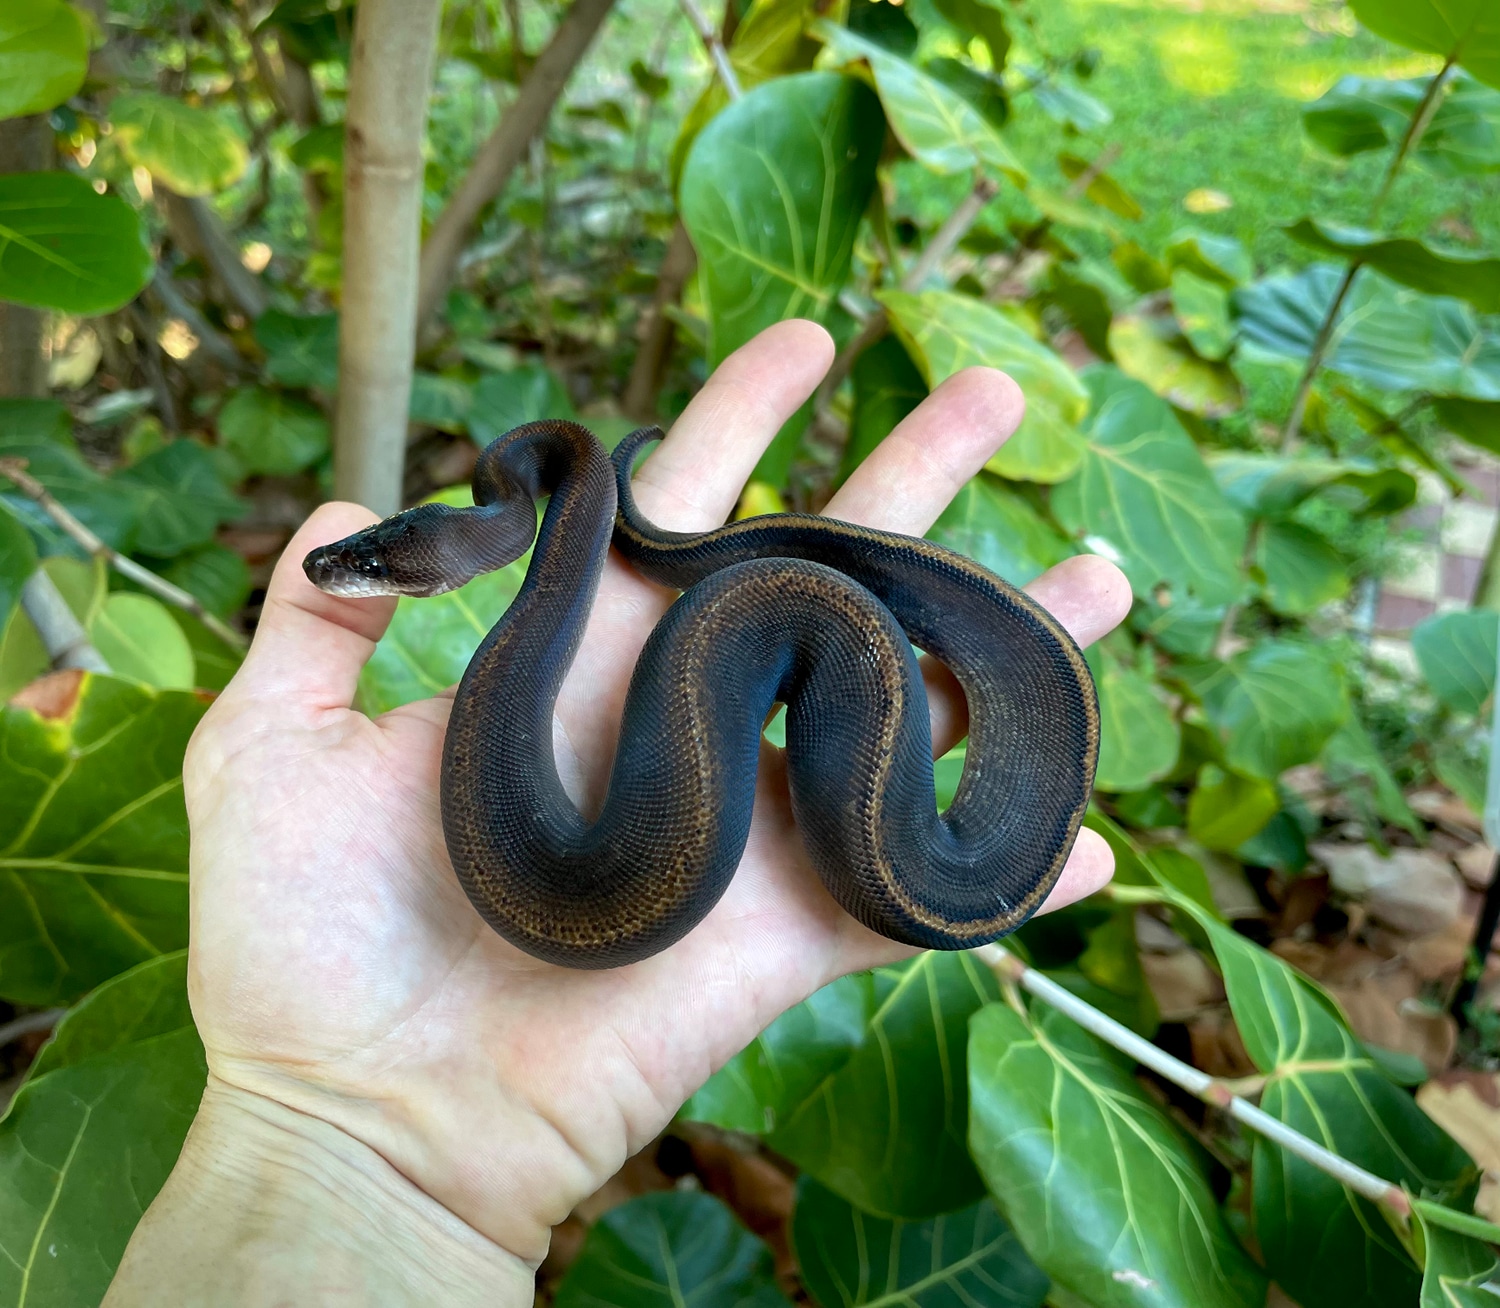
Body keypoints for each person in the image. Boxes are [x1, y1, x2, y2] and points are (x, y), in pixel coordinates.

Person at [104, 321, 1130, 1305]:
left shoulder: (537, 515)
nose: (353, 571)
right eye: (372, 561)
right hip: (730, 649)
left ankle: (783, 611)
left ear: (455, 553)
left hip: (772, 642)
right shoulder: (530, 509)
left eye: (372, 564)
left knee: (800, 626)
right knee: (784, 625)